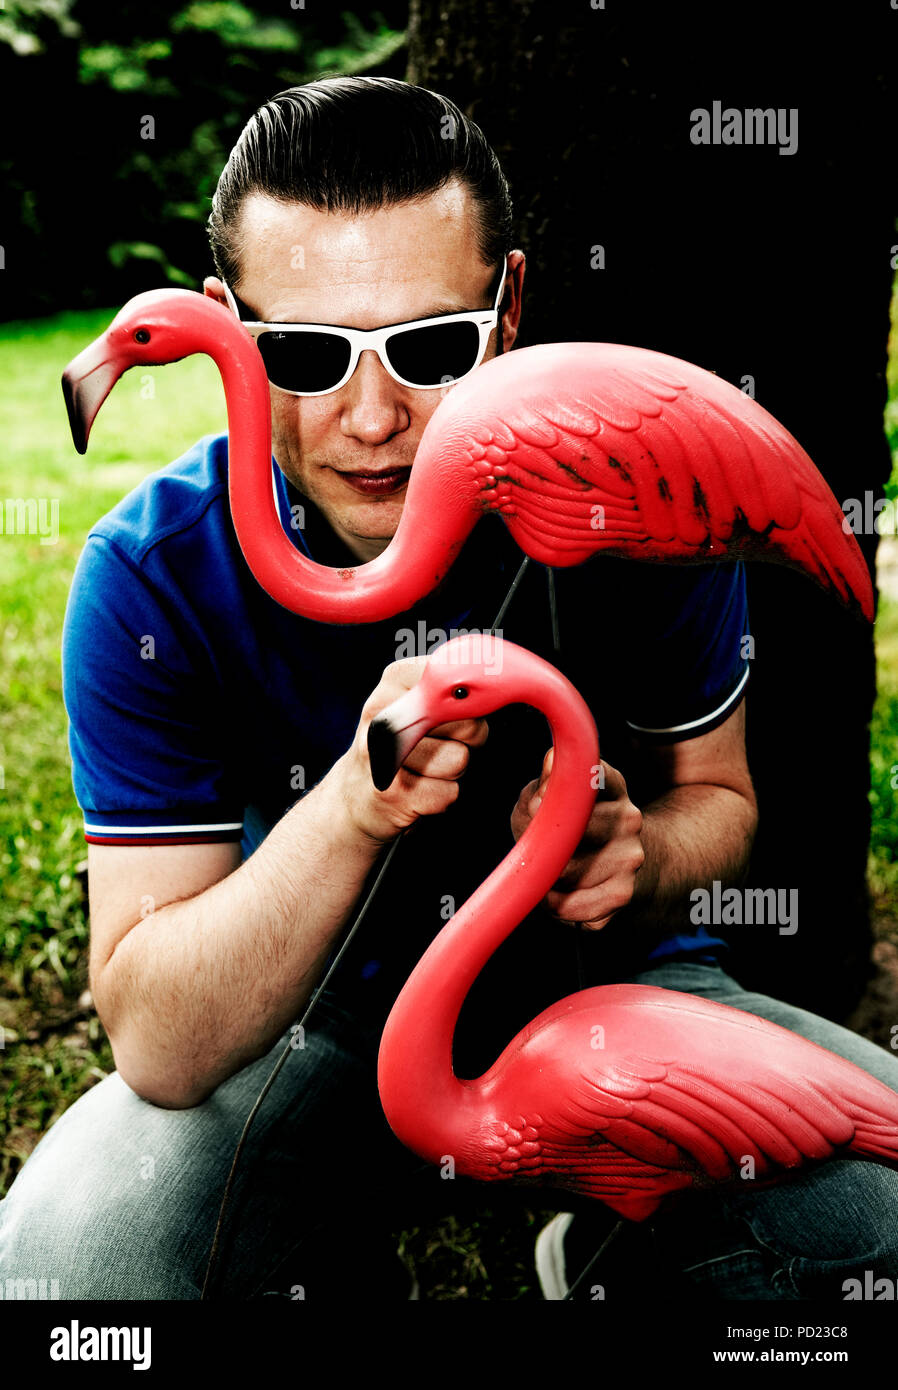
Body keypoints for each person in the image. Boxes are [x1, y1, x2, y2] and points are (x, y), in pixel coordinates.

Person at [1, 75, 896, 1302]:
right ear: (228, 330)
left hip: (611, 996)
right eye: (305, 355)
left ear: (509, 306)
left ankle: (616, 1235)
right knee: (64, 1286)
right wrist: (353, 808)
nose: (372, 418)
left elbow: (722, 800)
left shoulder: (631, 503)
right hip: (299, 1018)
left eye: (428, 348)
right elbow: (159, 1037)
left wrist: (638, 853)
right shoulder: (154, 576)